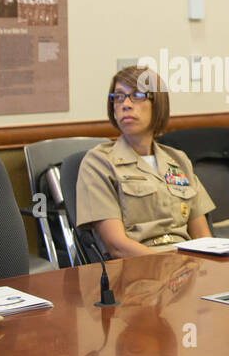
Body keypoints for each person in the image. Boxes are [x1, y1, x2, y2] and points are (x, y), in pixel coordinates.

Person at [75, 65, 214, 257]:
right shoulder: (99, 162)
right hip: (136, 266)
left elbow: (202, 236)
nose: (126, 104)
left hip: (187, 262)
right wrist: (170, 265)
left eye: (137, 95)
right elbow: (117, 246)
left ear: (158, 104)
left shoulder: (178, 160)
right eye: (119, 97)